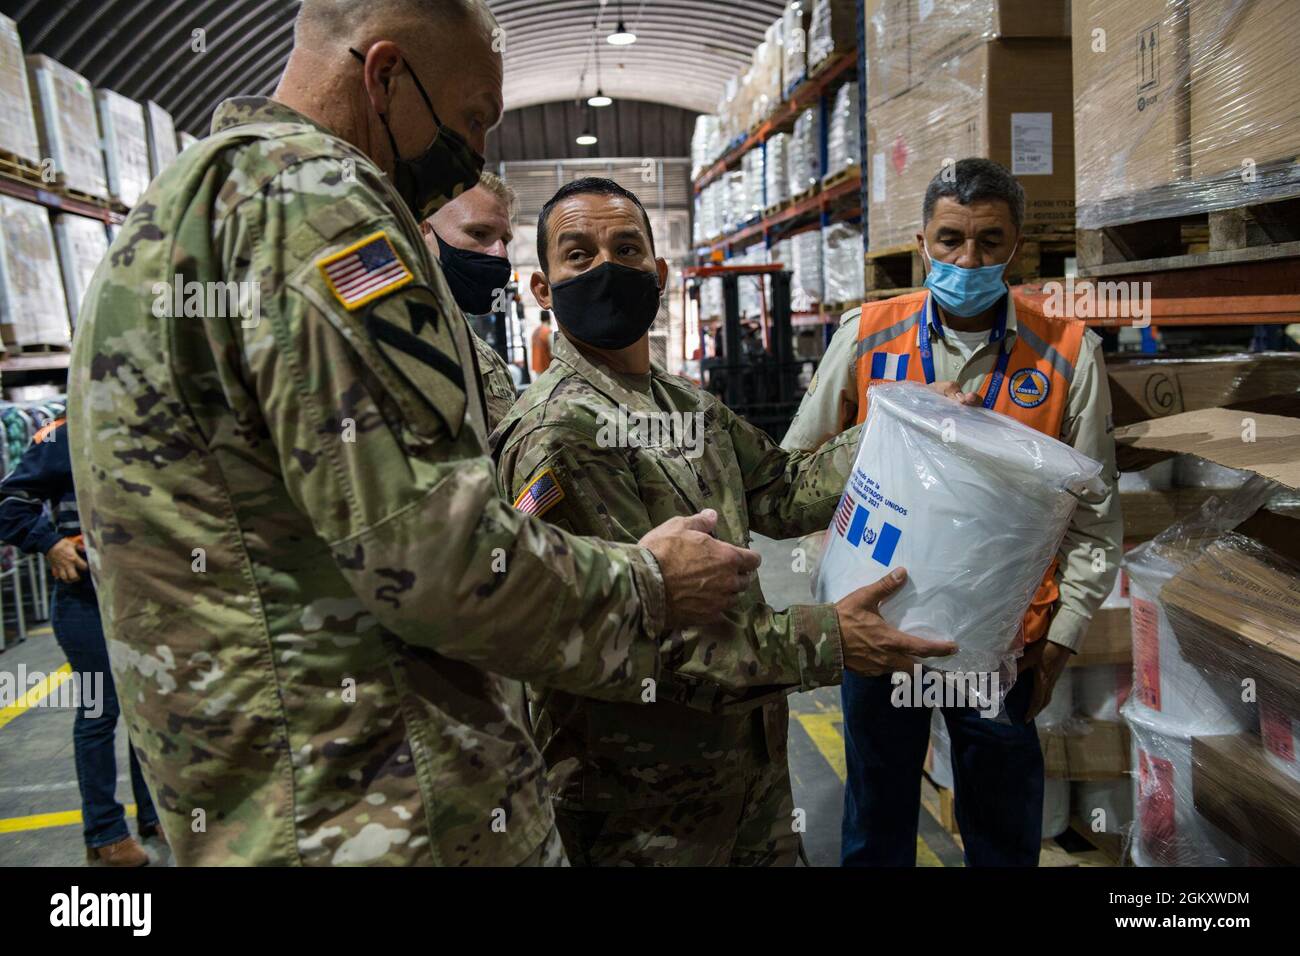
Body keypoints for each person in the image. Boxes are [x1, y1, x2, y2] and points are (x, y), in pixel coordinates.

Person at [67, 0, 761, 867]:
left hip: (264, 809)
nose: (473, 150)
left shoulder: (178, 210)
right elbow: (439, 556)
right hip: (385, 816)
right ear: (385, 75)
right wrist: (650, 584)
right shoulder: (320, 202)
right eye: (472, 117)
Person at [492, 178, 962, 866]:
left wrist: (895, 424)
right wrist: (828, 639)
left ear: (659, 273)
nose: (605, 270)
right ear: (542, 288)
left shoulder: (683, 404)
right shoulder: (560, 433)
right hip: (642, 810)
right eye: (579, 255)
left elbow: (784, 490)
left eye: (625, 249)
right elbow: (636, 639)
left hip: (747, 779)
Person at [782, 158, 1122, 866]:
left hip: (1005, 645)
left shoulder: (1066, 353)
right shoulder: (868, 337)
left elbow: (1095, 517)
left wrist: (1060, 640)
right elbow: (796, 472)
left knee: (1002, 832)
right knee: (876, 824)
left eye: (990, 242)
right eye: (950, 241)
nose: (969, 259)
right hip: (880, 632)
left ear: (1017, 246)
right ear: (922, 242)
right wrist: (831, 584)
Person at [0, 419, 163, 866]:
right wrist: (49, 543)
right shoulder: (63, 433)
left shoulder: (147, 420)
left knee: (145, 709)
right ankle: (105, 833)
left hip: (146, 599)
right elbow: (7, 505)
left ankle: (153, 813)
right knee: (99, 711)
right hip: (84, 602)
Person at [422, 169, 518, 428]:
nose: (499, 253)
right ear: (423, 230)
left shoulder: (490, 362)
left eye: (504, 240)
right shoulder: (389, 345)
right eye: (479, 233)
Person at [530, 310, 553, 374]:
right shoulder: (548, 332)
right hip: (545, 367)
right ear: (549, 319)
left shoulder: (535, 331)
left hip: (536, 366)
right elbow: (552, 353)